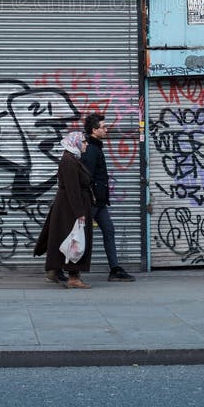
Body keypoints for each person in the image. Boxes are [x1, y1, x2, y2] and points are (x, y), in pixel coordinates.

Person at [34, 131, 93, 289]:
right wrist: (79, 212)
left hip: (68, 207)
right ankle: (73, 277)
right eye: (84, 141)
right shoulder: (69, 161)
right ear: (75, 143)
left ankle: (54, 271)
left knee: (62, 238)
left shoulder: (72, 158)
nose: (86, 144)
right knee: (75, 240)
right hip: (70, 208)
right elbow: (72, 188)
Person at [82, 113, 135, 282]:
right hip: (92, 201)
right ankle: (59, 269)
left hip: (99, 201)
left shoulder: (96, 147)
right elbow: (86, 176)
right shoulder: (91, 149)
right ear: (94, 130)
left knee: (109, 230)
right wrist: (90, 199)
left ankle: (115, 269)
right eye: (103, 127)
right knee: (78, 234)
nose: (106, 130)